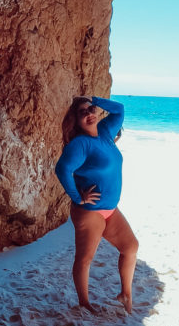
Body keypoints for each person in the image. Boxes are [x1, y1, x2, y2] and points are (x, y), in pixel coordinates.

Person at [54, 95, 139, 314]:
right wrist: (78, 197)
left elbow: (119, 109)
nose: (89, 114)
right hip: (89, 212)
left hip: (110, 210)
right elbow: (62, 170)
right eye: (82, 113)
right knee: (84, 259)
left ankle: (125, 294)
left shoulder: (105, 132)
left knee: (130, 247)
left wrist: (93, 100)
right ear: (76, 120)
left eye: (91, 110)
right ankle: (84, 303)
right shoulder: (80, 144)